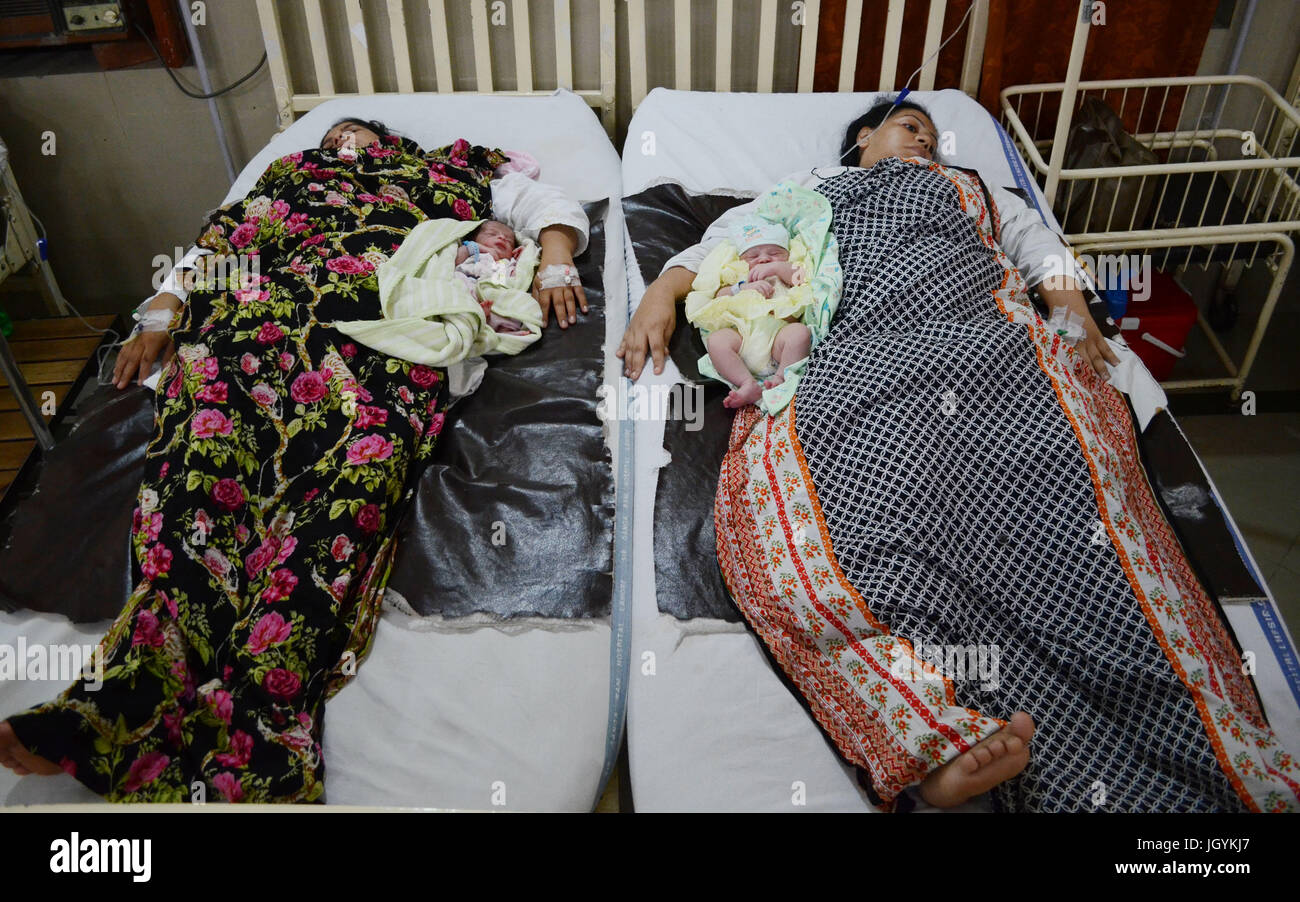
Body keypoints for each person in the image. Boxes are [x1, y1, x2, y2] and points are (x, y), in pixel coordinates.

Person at [616, 98, 1298, 812]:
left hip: (993, 345)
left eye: (931, 134)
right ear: (863, 138)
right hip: (861, 354)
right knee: (858, 519)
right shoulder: (809, 188)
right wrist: (659, 295)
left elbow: (1041, 254)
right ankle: (934, 733)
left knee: (1069, 517)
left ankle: (1174, 727)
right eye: (908, 127)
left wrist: (1071, 313)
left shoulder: (977, 187)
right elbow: (720, 247)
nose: (924, 139)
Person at [0, 119, 588, 801]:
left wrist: (554, 261)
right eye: (333, 128)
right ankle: (122, 697)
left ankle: (259, 723)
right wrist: (162, 314)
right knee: (200, 478)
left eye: (357, 129)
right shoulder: (285, 177)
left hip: (377, 329)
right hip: (252, 323)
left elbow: (552, 210)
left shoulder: (449, 172)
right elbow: (212, 252)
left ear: (387, 140)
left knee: (341, 499)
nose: (343, 137)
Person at [688, 216, 813, 408]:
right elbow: (719, 296)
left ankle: (781, 378)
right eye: (752, 256)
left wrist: (777, 268)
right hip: (743, 338)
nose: (763, 258)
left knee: (800, 334)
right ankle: (747, 383)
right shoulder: (738, 275)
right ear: (741, 260)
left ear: (787, 254)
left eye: (775, 253)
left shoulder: (786, 271)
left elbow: (802, 278)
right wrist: (742, 288)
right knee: (718, 341)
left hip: (778, 340)